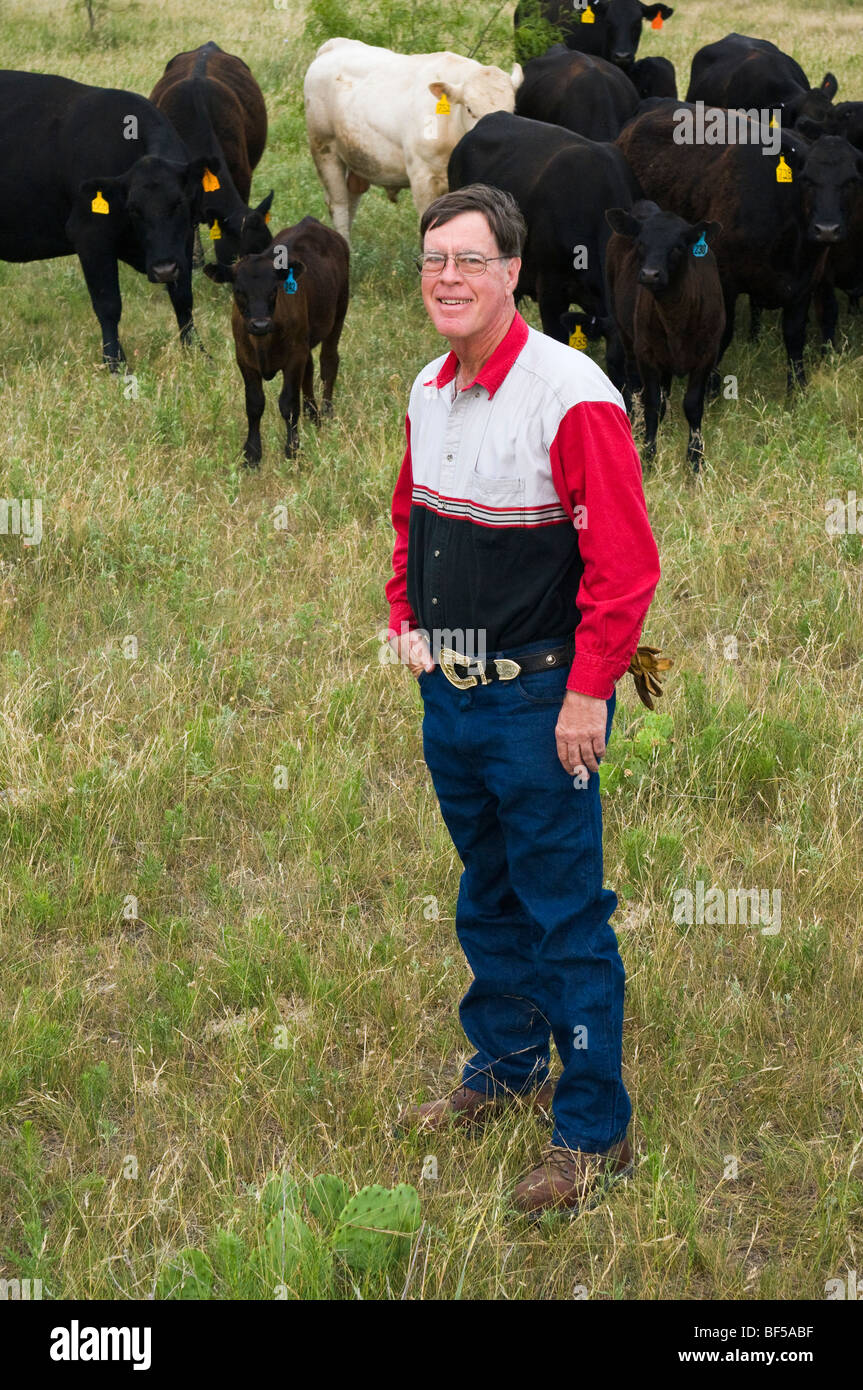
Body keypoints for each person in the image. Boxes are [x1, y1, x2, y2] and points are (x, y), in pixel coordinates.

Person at [385, 184, 661, 1216]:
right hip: (451, 701)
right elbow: (416, 517)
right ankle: (502, 1066)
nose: (445, 278)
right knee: (484, 890)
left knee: (564, 917)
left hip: (542, 705)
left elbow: (624, 566)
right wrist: (403, 617)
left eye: (467, 260)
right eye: (430, 261)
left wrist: (586, 694)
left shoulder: (568, 393)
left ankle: (593, 1128)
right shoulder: (427, 386)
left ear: (511, 273)